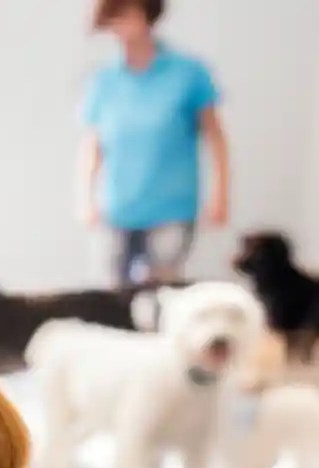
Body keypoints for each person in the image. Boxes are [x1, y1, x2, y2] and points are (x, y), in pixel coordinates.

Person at [77, 0, 231, 287]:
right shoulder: (103, 81)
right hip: (117, 209)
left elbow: (216, 138)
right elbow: (93, 146)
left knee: (161, 292)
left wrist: (220, 194)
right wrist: (87, 198)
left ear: (146, 13)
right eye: (112, 19)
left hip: (170, 208)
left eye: (124, 15)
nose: (119, 27)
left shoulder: (189, 73)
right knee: (108, 294)